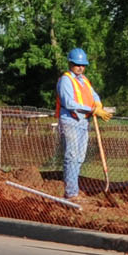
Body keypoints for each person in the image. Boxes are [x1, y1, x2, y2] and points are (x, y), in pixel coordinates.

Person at [54, 48, 113, 200]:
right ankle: (71, 193)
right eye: (77, 65)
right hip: (71, 121)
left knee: (79, 157)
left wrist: (98, 104)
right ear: (70, 64)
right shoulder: (66, 80)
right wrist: (92, 110)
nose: (80, 67)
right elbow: (69, 103)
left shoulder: (84, 80)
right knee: (72, 156)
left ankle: (73, 188)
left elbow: (93, 94)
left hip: (83, 122)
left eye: (83, 65)